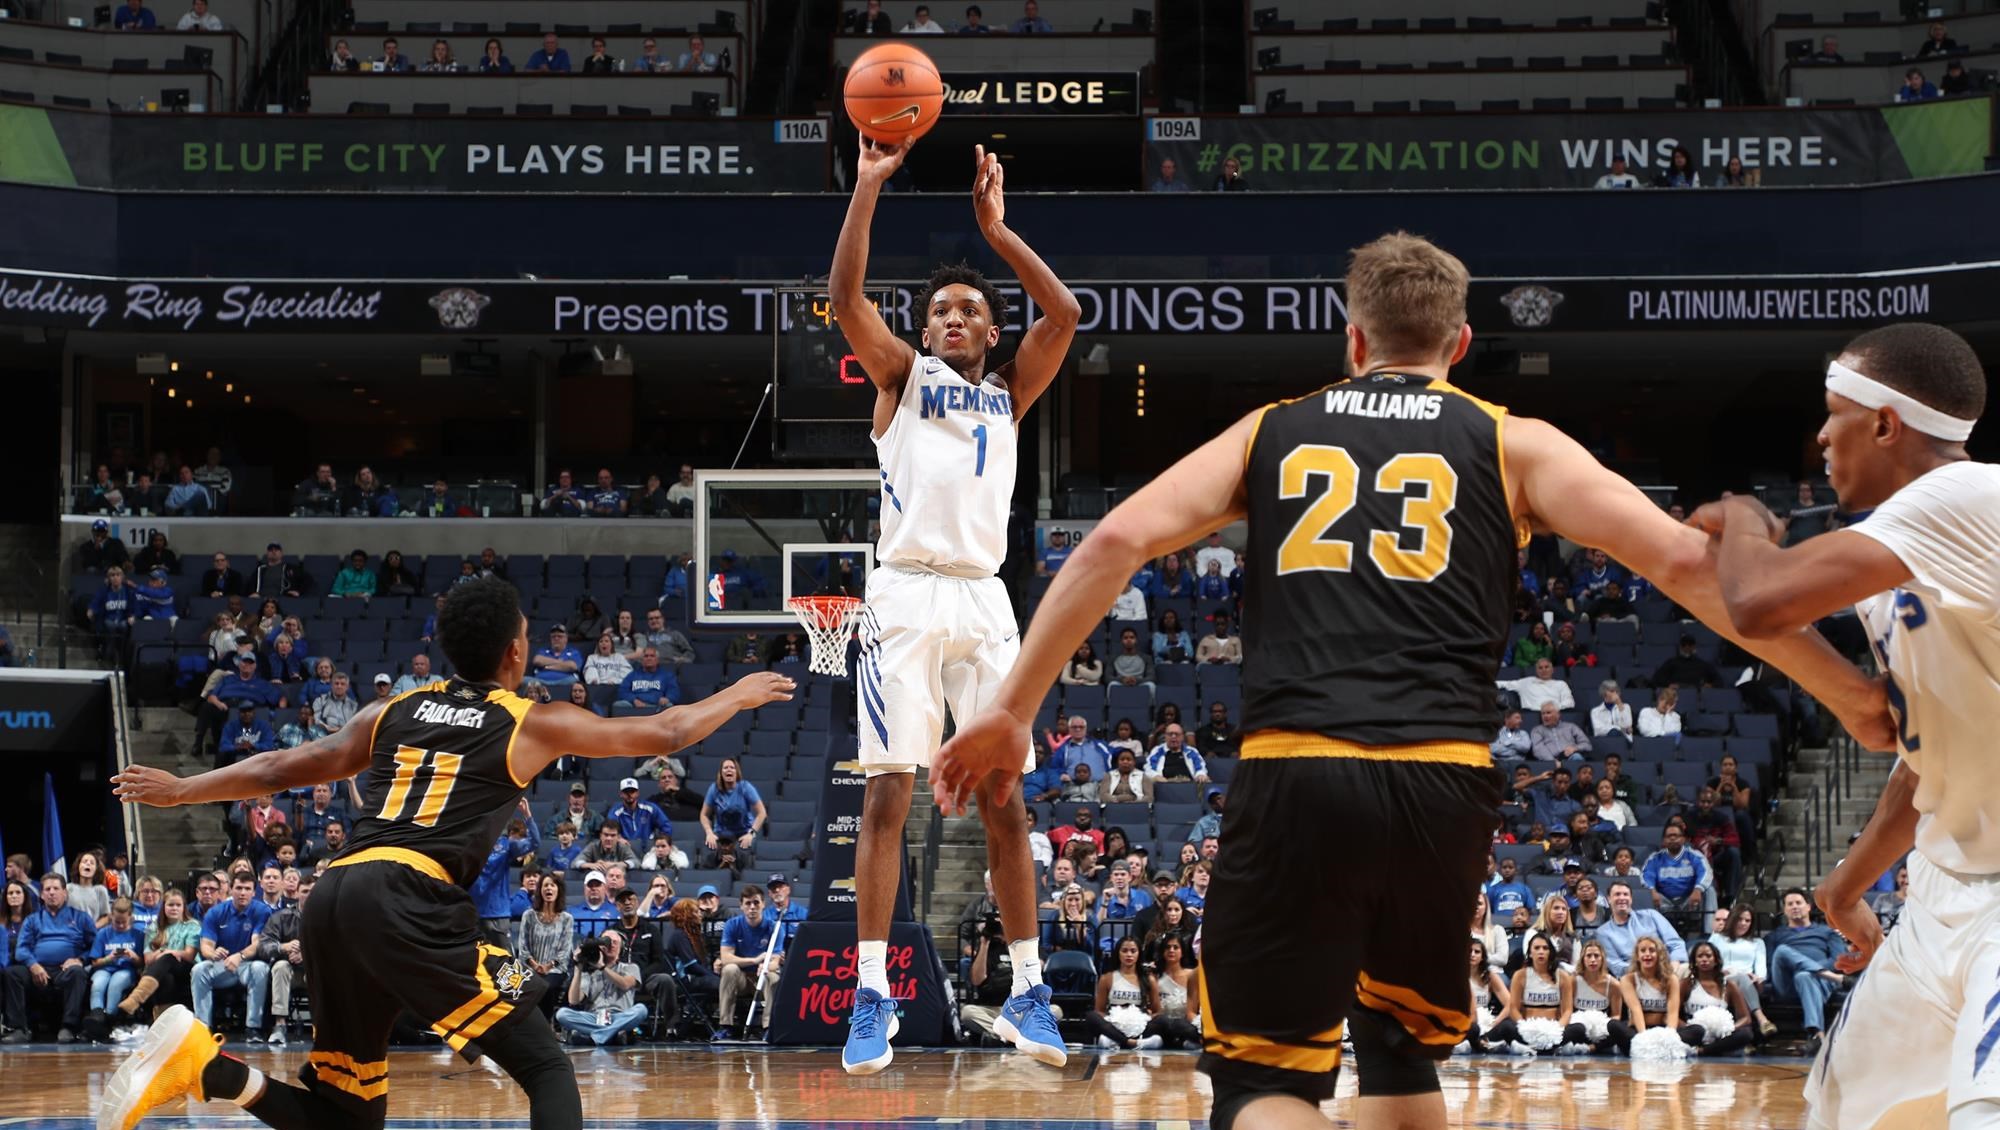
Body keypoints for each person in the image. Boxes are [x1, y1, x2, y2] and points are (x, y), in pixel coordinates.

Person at [930, 230, 1885, 1130]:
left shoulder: (1272, 430)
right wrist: (1847, 690)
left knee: (1265, 1077)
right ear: (1461, 341)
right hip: (1441, 783)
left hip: (1297, 771)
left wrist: (1015, 708)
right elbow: (1685, 567)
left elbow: (1114, 541)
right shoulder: (1516, 443)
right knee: (1396, 1051)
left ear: (1352, 339)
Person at [103, 578, 793, 1130]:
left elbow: (286, 765)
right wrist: (739, 690)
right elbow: (666, 729)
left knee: (348, 1115)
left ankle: (213, 1070)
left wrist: (182, 789)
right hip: (405, 898)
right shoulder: (531, 721)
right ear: (516, 655)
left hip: (334, 897)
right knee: (547, 1069)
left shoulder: (394, 709)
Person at [1698, 322, 1998, 1123]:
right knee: (1848, 1111)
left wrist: (1743, 521)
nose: (1820, 435)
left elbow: (1757, 603)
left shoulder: (1966, 497)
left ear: (1886, 424)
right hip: (1942, 893)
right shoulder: (1891, 562)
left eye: (1833, 413)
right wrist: (1845, 887)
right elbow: (1924, 756)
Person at [827, 136, 1078, 1077]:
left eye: (973, 310)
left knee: (1006, 799)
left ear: (991, 330)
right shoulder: (900, 380)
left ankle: (1027, 990)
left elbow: (1067, 311)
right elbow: (847, 298)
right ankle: (871, 996)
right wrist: (866, 187)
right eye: (943, 310)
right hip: (902, 596)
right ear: (926, 333)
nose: (957, 317)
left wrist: (998, 233)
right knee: (888, 792)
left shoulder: (1011, 394)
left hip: (985, 599)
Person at [555, 929, 646, 1046]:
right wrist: (578, 968)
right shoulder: (590, 972)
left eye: (615, 942)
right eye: (607, 941)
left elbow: (625, 984)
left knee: (641, 1010)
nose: (610, 945)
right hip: (594, 1017)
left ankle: (596, 1036)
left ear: (621, 948)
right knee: (562, 1014)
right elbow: (574, 1000)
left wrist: (602, 967)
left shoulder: (629, 967)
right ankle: (612, 1034)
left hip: (620, 1016)